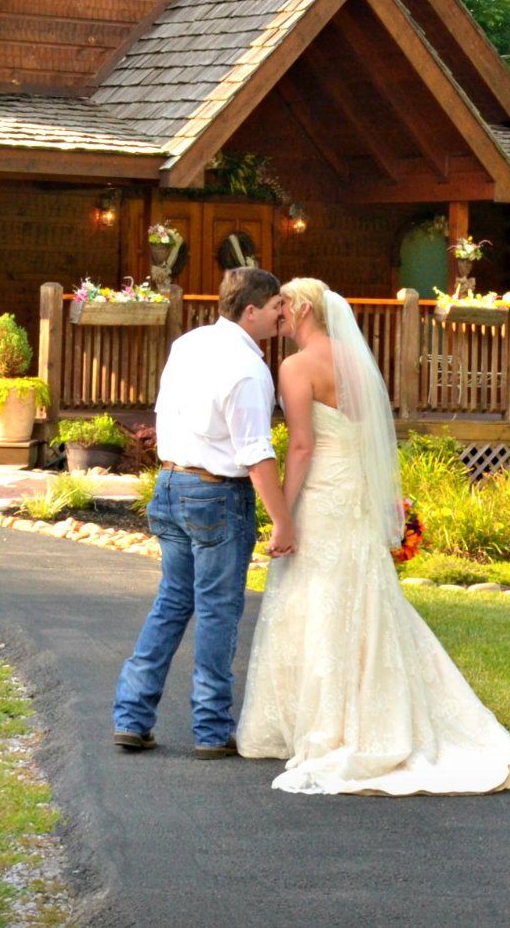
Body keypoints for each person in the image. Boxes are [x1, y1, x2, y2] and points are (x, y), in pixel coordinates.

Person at [238, 277, 510, 795]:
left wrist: (283, 516)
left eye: (283, 307)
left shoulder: (296, 367)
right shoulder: (358, 363)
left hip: (321, 495)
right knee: (363, 599)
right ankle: (371, 714)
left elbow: (300, 446)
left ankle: (319, 723)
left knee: (316, 600)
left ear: (300, 310)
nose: (279, 317)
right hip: (356, 499)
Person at [112, 265, 293, 758]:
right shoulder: (250, 370)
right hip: (215, 493)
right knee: (217, 609)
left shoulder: (187, 344)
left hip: (169, 483)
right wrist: (282, 519)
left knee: (173, 602)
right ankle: (211, 729)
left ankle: (131, 714)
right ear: (251, 311)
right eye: (277, 306)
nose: (283, 315)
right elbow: (256, 453)